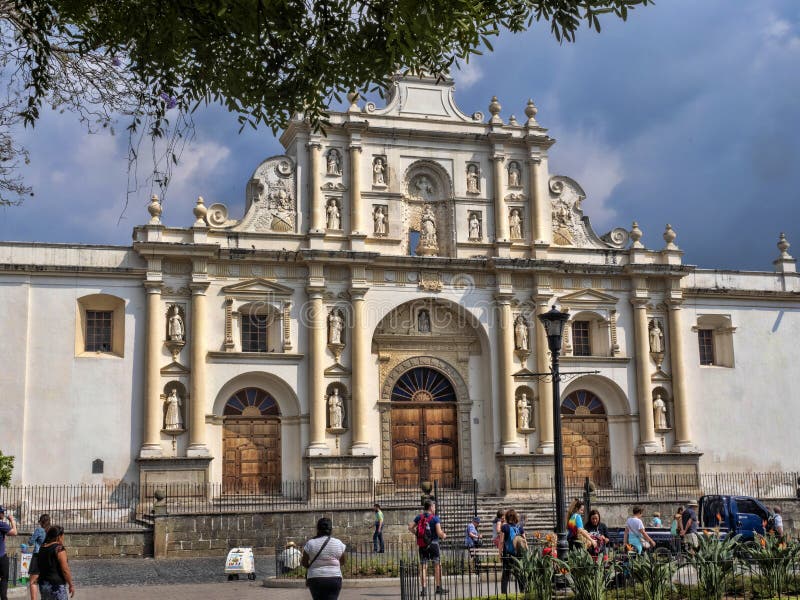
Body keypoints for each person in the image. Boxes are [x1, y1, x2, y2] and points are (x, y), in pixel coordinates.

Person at [409, 500, 447, 597]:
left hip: (422, 545)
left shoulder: (419, 517)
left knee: (423, 567)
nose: (435, 508)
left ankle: (424, 590)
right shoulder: (435, 518)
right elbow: (439, 533)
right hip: (434, 544)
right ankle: (438, 588)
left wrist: (417, 534)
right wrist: (444, 535)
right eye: (434, 506)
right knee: (437, 565)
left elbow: (410, 527)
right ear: (430, 507)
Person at [302, 517, 347, 600]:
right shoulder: (338, 543)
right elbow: (343, 561)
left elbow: (304, 562)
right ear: (331, 529)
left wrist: (314, 566)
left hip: (315, 578)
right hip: (334, 578)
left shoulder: (310, 543)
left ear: (317, 529)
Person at [29, 525, 74, 600]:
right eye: (63, 536)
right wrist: (71, 584)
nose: (63, 538)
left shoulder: (42, 548)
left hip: (44, 585)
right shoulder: (59, 549)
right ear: (58, 536)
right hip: (56, 586)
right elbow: (65, 570)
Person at [498, 509, 526, 594]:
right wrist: (526, 553)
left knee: (506, 575)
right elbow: (525, 541)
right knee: (519, 574)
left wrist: (499, 554)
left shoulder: (504, 527)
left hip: (508, 554)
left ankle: (504, 594)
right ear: (515, 517)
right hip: (518, 555)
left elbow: (502, 542)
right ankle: (522, 592)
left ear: (506, 517)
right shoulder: (520, 527)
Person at [0, 506, 17, 600]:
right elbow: (14, 532)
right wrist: (12, 521)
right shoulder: (2, 524)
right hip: (1, 557)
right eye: (2, 512)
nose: (3, 514)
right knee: (4, 578)